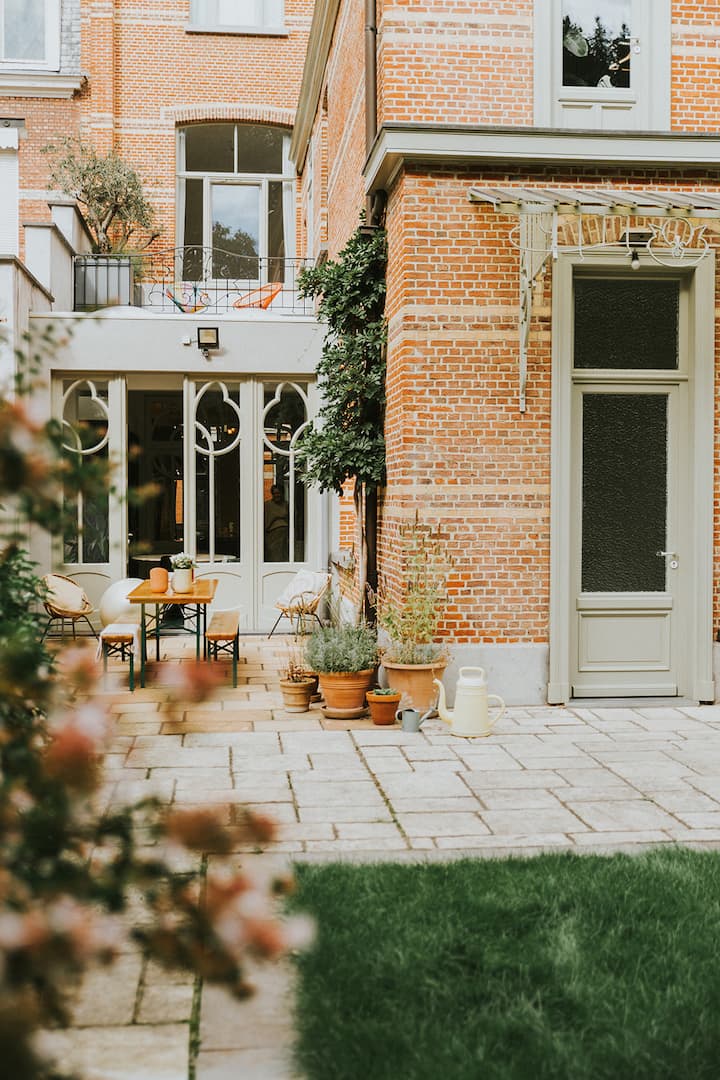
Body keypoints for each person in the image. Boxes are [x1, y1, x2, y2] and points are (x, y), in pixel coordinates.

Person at [264, 484, 289, 561]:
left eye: (278, 493)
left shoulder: (286, 505)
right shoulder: (267, 505)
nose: (276, 495)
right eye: (274, 493)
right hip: (271, 534)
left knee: (282, 556)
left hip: (284, 535)